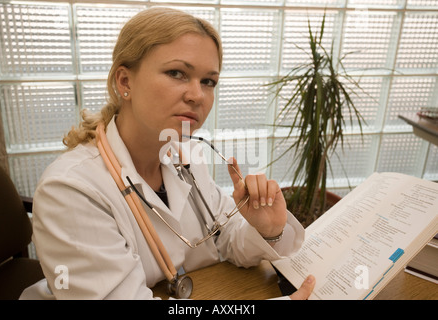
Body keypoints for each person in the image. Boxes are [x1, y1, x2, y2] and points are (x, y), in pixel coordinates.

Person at [20, 7, 315, 300]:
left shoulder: (185, 156)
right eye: (177, 73)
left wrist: (268, 228)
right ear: (125, 82)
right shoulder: (71, 190)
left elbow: (224, 241)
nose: (197, 95)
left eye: (208, 81)